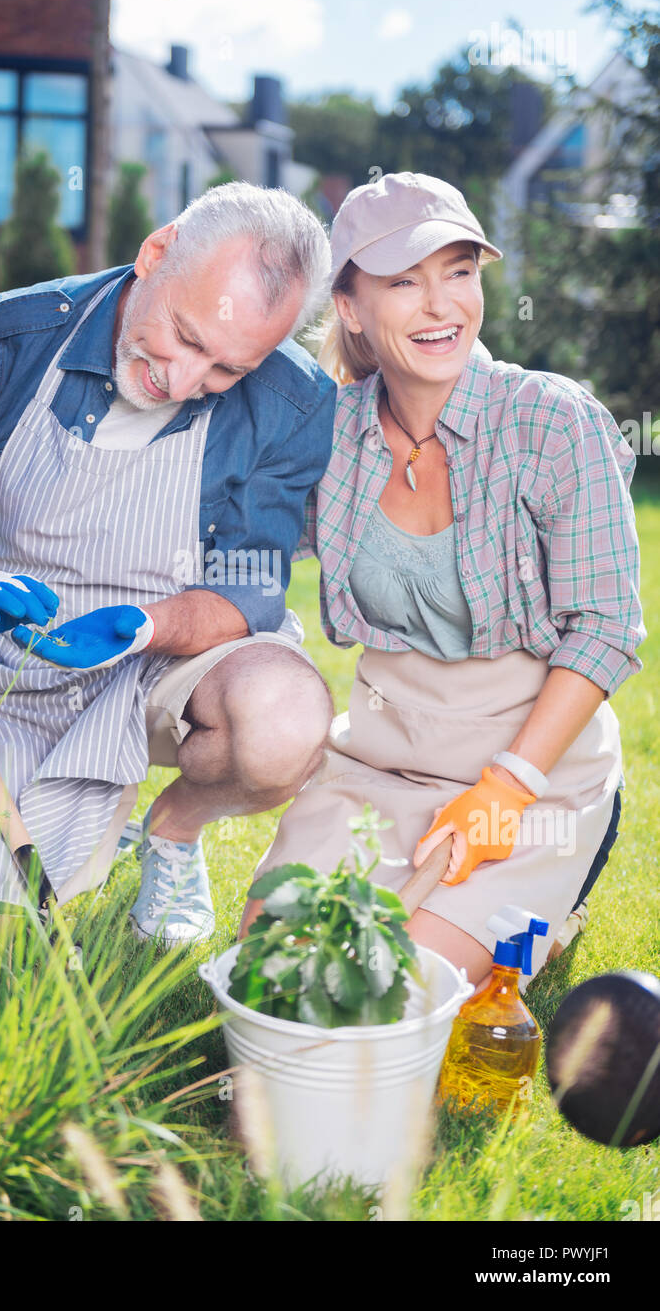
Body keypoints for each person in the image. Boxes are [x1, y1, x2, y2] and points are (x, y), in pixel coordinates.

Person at [0, 182, 338, 945]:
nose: (187, 381)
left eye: (227, 369)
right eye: (186, 337)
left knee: (284, 719)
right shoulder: (7, 338)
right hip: (18, 661)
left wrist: (144, 625)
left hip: (169, 659)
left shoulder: (293, 401)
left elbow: (251, 585)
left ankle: (171, 833)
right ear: (156, 253)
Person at [240, 172, 645, 985]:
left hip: (534, 777)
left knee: (400, 989)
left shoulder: (550, 422)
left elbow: (605, 628)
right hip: (381, 761)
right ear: (351, 308)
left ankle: (553, 899)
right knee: (280, 970)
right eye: (403, 282)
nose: (441, 306)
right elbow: (236, 541)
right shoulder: (331, 436)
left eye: (458, 273)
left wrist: (509, 784)